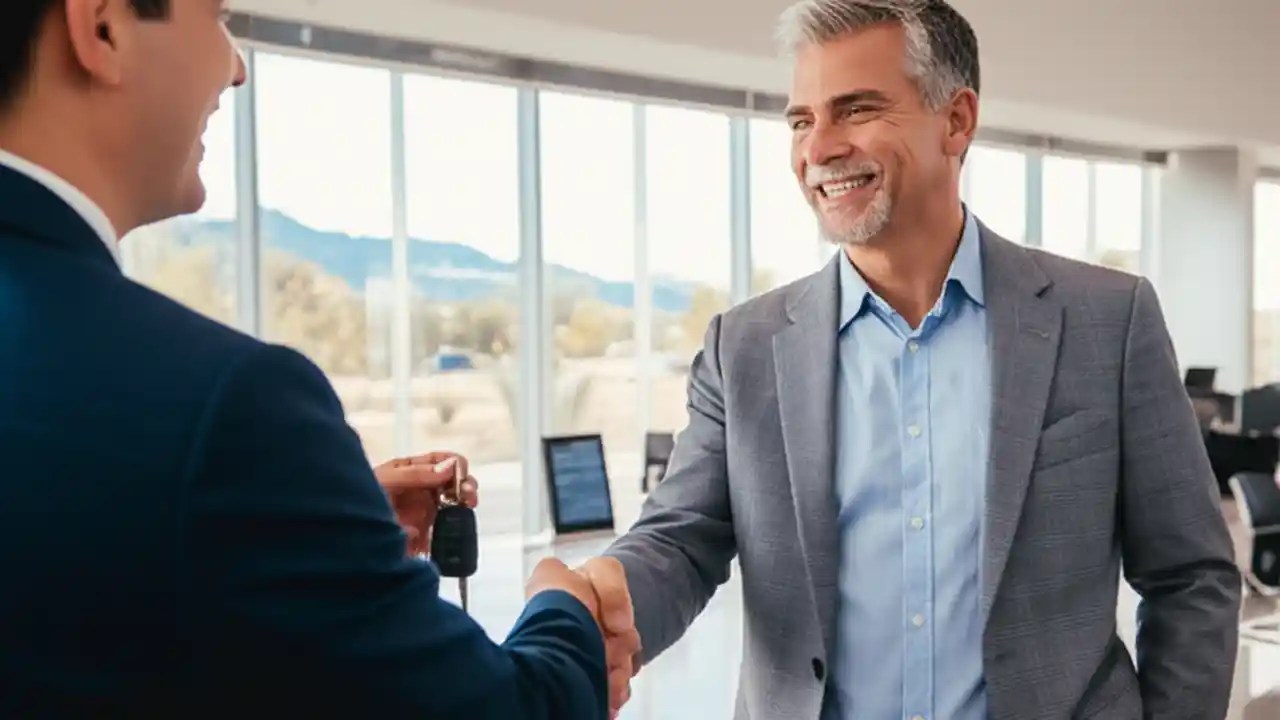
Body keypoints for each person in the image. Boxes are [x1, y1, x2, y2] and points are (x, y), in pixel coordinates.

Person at [578, 1, 1242, 718]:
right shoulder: (744, 347)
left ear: (956, 120)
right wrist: (597, 599)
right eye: (801, 120)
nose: (819, 148)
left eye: (855, 109)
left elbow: (1190, 575)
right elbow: (681, 540)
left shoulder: (1106, 321)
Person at [0, 0, 637, 717]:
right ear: (104, 26)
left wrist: (307, 526)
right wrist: (563, 605)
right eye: (215, 17)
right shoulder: (233, 407)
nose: (235, 67)